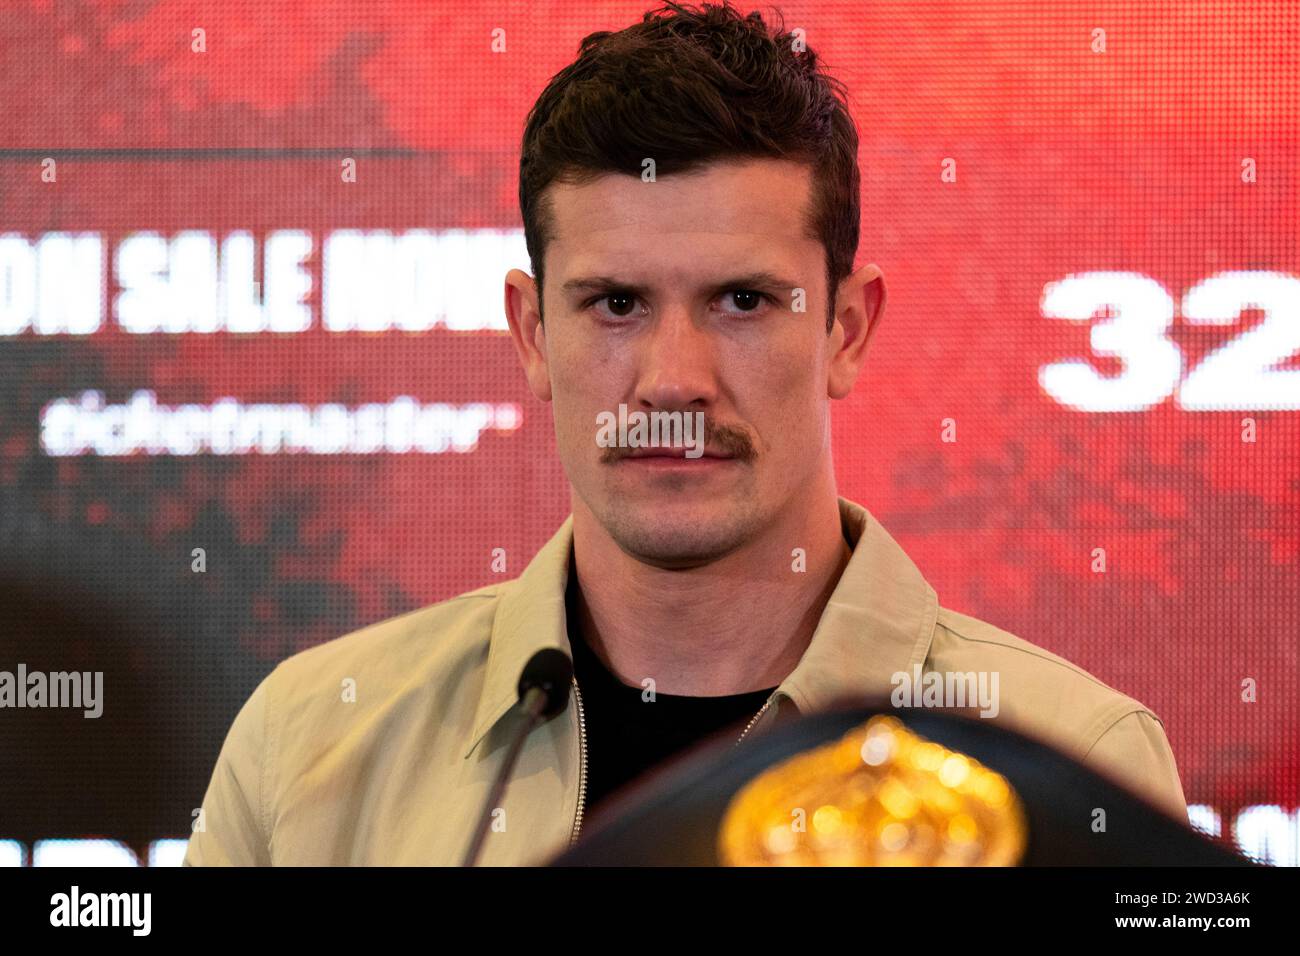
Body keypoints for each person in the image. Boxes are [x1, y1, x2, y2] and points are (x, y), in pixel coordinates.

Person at [184, 0, 1187, 867]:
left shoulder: (1072, 756)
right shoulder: (306, 742)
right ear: (533, 335)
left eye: (742, 300)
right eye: (614, 303)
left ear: (845, 330)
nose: (672, 378)